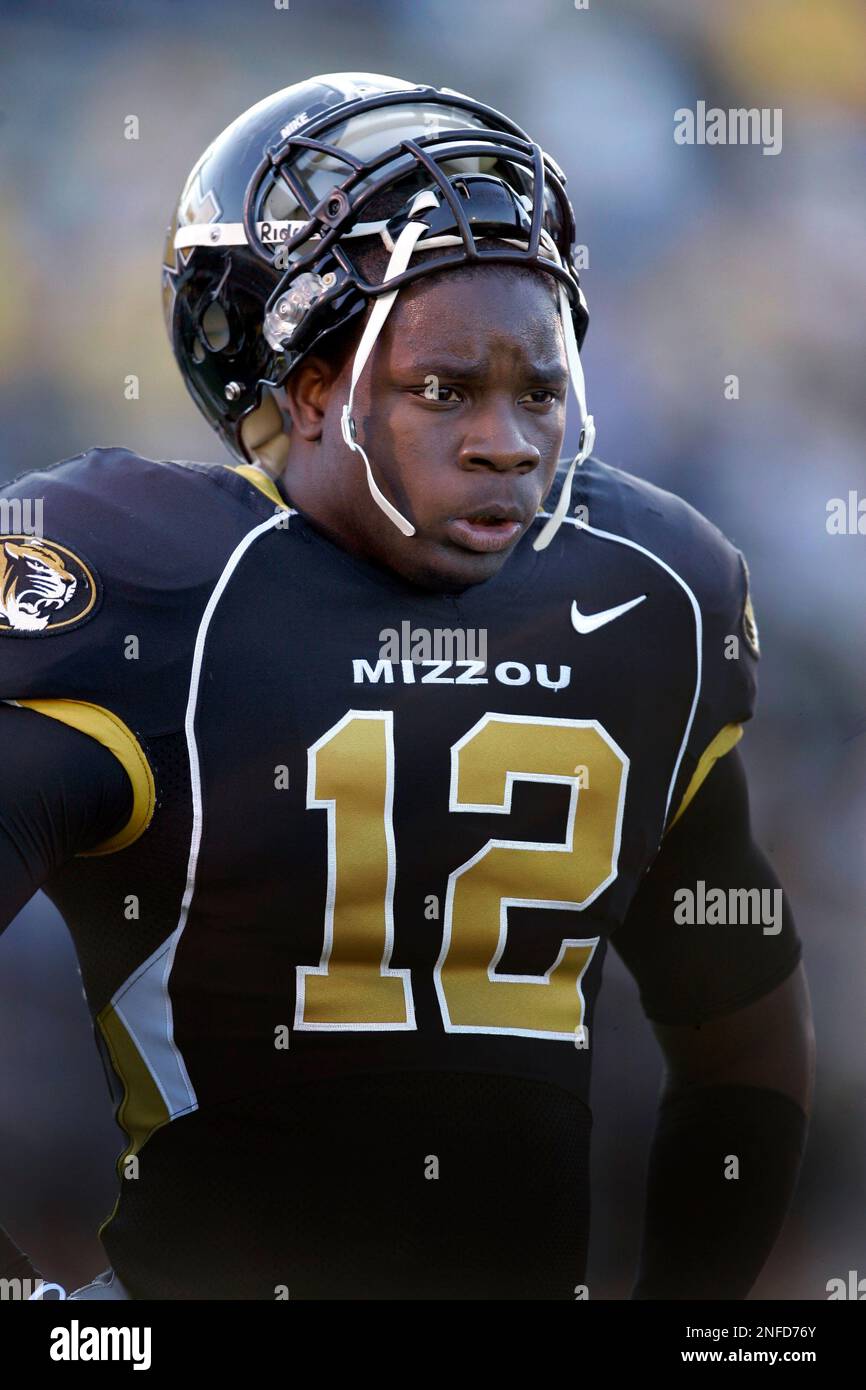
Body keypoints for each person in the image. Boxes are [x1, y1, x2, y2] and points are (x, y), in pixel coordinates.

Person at [0, 72, 814, 1300]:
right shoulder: (156, 590)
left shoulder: (650, 596)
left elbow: (741, 1026)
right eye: (445, 389)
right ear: (310, 388)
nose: (508, 441)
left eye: (538, 388)